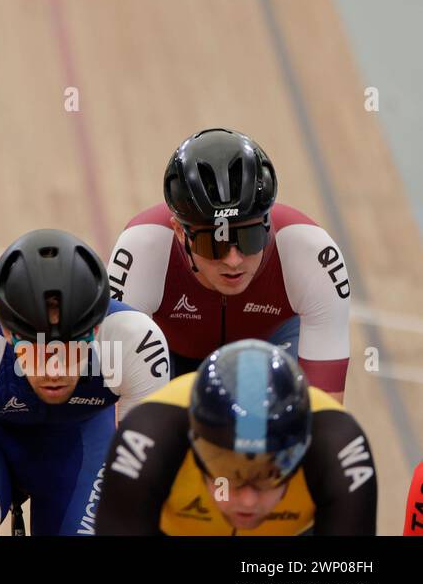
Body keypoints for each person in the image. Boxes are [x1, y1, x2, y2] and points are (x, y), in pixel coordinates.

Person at [0, 229, 171, 536]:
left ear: (98, 328)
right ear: (8, 332)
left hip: (80, 440)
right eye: (37, 348)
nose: (54, 369)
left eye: (71, 347)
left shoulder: (134, 342)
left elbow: (140, 498)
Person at [107, 128, 350, 402]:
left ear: (267, 223)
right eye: (213, 245)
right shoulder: (143, 247)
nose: (233, 260)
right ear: (179, 232)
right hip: (168, 356)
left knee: (284, 419)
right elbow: (117, 406)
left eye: (249, 238)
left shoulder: (310, 253)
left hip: (268, 352)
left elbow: (325, 409)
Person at [96, 339, 376, 535]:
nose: (248, 501)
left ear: (304, 448)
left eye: (270, 472)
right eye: (228, 472)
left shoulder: (337, 445)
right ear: (193, 443)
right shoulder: (151, 434)